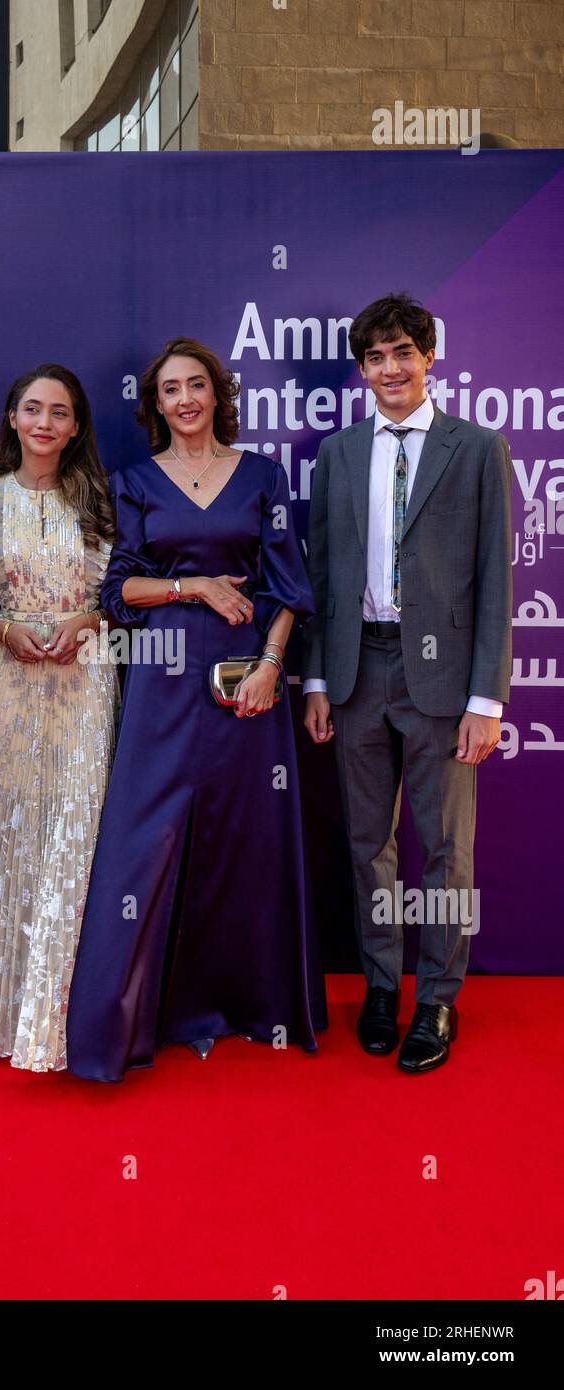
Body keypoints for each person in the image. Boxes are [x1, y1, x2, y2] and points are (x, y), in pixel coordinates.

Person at [66, 337, 327, 1082]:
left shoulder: (264, 476)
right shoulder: (136, 480)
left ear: (217, 394)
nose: (184, 399)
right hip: (162, 681)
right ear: (154, 406)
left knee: (249, 835)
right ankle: (141, 1015)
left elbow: (288, 587)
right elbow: (119, 593)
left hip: (250, 680)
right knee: (148, 836)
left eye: (196, 385)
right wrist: (196, 587)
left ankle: (253, 1006)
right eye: (169, 390)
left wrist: (273, 666)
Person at [302, 293, 512, 1073]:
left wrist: (486, 699)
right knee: (369, 845)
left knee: (448, 849)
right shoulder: (339, 452)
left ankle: (438, 1001)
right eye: (376, 358)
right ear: (362, 370)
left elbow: (497, 575)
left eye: (403, 353)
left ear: (429, 357)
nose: (391, 369)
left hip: (444, 677)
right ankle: (384, 987)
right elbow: (323, 575)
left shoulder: (476, 447)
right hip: (359, 669)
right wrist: (318, 678)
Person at [0, 365, 118, 1071]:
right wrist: (7, 633)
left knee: (76, 833)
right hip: (5, 684)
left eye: (59, 412)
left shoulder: (101, 499)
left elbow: (120, 596)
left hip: (85, 681)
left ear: (75, 427)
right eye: (32, 409)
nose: (44, 422)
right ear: (12, 417)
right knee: (0, 830)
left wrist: (87, 620)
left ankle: (62, 1011)